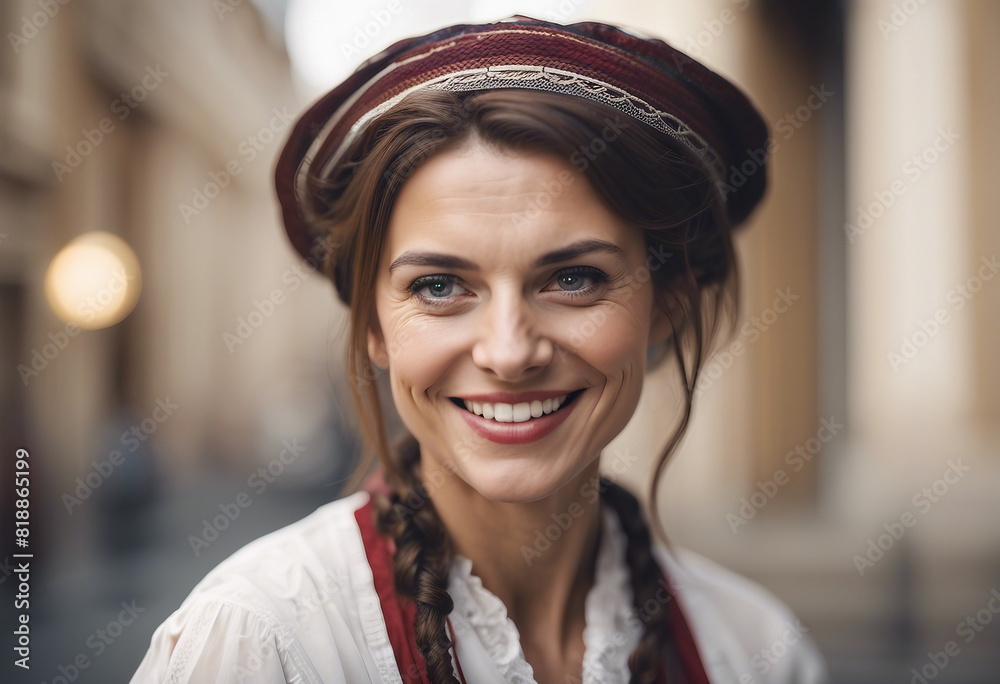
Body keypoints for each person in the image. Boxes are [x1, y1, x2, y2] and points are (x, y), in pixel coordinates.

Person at [130, 14, 828, 684]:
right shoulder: (263, 642)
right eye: (439, 285)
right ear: (373, 323)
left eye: (574, 278)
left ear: (667, 304)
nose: (508, 351)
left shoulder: (755, 650)